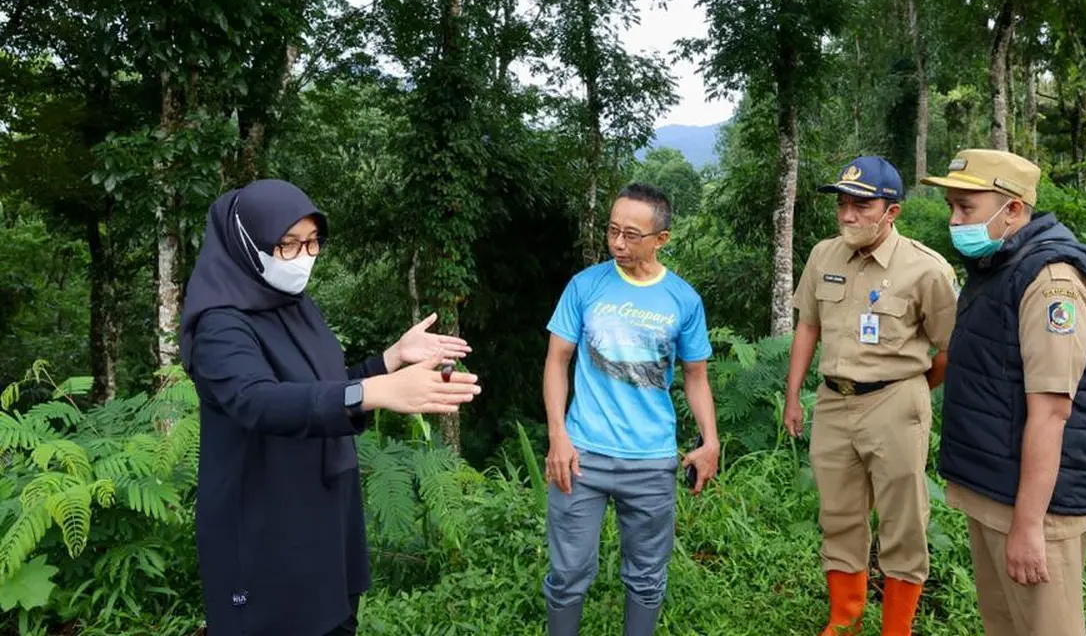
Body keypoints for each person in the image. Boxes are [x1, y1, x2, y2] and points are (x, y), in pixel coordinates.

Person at [178, 179, 482, 636]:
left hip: (324, 512)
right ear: (246, 242)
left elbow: (323, 389)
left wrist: (389, 360)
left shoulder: (295, 306)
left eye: (313, 242)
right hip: (264, 523)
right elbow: (256, 401)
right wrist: (377, 391)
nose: (303, 256)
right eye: (287, 244)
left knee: (336, 622)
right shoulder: (220, 324)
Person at [921, 149, 1086, 636]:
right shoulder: (999, 268)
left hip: (1032, 507)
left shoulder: (1053, 282)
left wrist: (1029, 526)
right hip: (992, 491)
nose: (954, 220)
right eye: (951, 206)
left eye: (966, 208)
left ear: (1012, 209)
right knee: (1005, 625)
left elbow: (1052, 412)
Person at [784, 155, 958, 636]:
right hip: (833, 403)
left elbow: (951, 347)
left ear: (891, 212)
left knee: (903, 522)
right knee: (838, 514)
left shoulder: (927, 270)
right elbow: (808, 326)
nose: (848, 215)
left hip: (896, 404)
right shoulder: (824, 256)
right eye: (843, 204)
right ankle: (844, 621)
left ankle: (896, 629)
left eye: (861, 205)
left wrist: (913, 390)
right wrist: (793, 395)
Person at [541, 183, 721, 636]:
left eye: (631, 235)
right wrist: (558, 436)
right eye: (612, 231)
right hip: (581, 455)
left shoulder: (683, 299)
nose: (618, 243)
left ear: (661, 239)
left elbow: (696, 376)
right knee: (567, 575)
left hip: (651, 460)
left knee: (646, 579)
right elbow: (557, 360)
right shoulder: (585, 286)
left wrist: (710, 441)